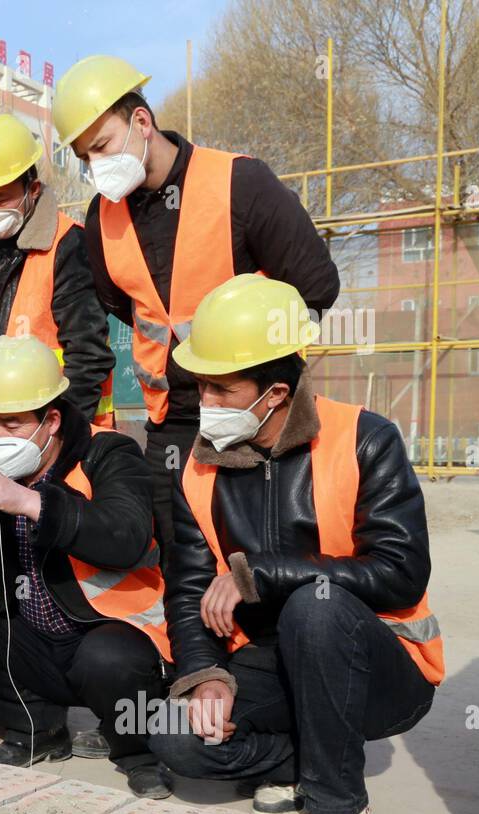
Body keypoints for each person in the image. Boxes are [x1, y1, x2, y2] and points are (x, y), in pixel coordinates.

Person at [149, 275, 442, 814]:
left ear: (275, 394)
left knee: (317, 605)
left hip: (379, 664)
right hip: (269, 660)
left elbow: (401, 574)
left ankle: (338, 807)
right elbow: (187, 587)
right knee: (173, 735)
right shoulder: (200, 465)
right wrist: (205, 675)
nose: (204, 404)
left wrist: (260, 573)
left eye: (220, 389)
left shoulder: (365, 438)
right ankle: (304, 759)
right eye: (200, 387)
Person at [52, 55, 340, 559]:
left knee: (260, 561)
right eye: (85, 158)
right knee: (182, 564)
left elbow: (315, 287)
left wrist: (244, 365)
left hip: (255, 415)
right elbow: (128, 305)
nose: (96, 167)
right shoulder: (102, 217)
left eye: (102, 146)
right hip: (172, 423)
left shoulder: (240, 183)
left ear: (142, 121)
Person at [0, 336, 172, 796]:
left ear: (51, 420)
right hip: (34, 639)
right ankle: (35, 729)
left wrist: (33, 502)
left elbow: (125, 535)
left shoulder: (109, 454)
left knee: (110, 660)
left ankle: (136, 749)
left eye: (13, 424)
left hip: (108, 629)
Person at [0, 114, 115, 425]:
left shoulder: (68, 245)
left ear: (34, 189)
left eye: (1, 198)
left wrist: (61, 438)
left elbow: (87, 356)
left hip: (50, 432)